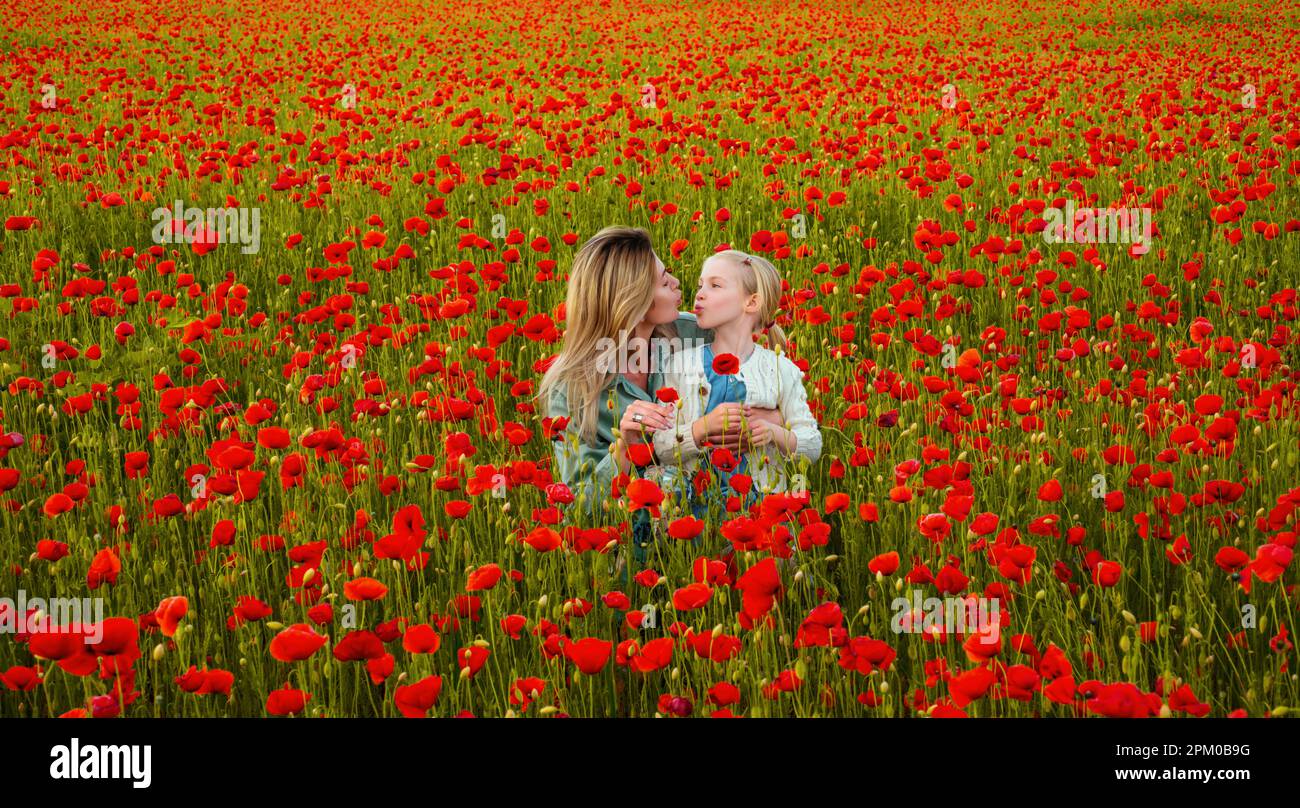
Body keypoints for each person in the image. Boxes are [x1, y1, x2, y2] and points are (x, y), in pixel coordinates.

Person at [535, 227, 782, 578]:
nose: (678, 283)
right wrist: (625, 448)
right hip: (638, 562)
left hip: (722, 528)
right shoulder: (571, 389)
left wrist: (760, 417)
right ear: (632, 300)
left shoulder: (693, 333)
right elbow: (579, 507)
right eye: (664, 280)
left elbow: (772, 360)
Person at [652, 249, 823, 558]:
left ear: (751, 302)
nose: (699, 294)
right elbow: (663, 446)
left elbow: (811, 445)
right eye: (701, 284)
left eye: (715, 286)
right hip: (696, 511)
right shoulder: (679, 366)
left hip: (761, 513)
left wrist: (773, 432)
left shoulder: (780, 370)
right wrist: (702, 428)